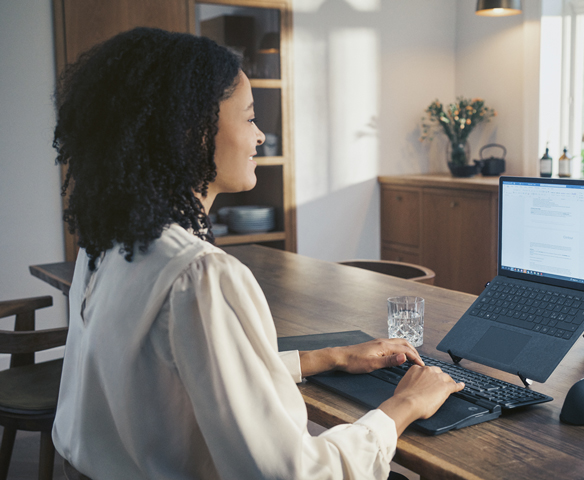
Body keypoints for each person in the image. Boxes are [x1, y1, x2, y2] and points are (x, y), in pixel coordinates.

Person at [52, 27, 463, 479]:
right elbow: (293, 474)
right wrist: (403, 406)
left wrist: (331, 357)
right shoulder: (200, 276)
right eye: (249, 119)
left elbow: (190, 377)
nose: (262, 136)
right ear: (191, 130)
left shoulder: (109, 245)